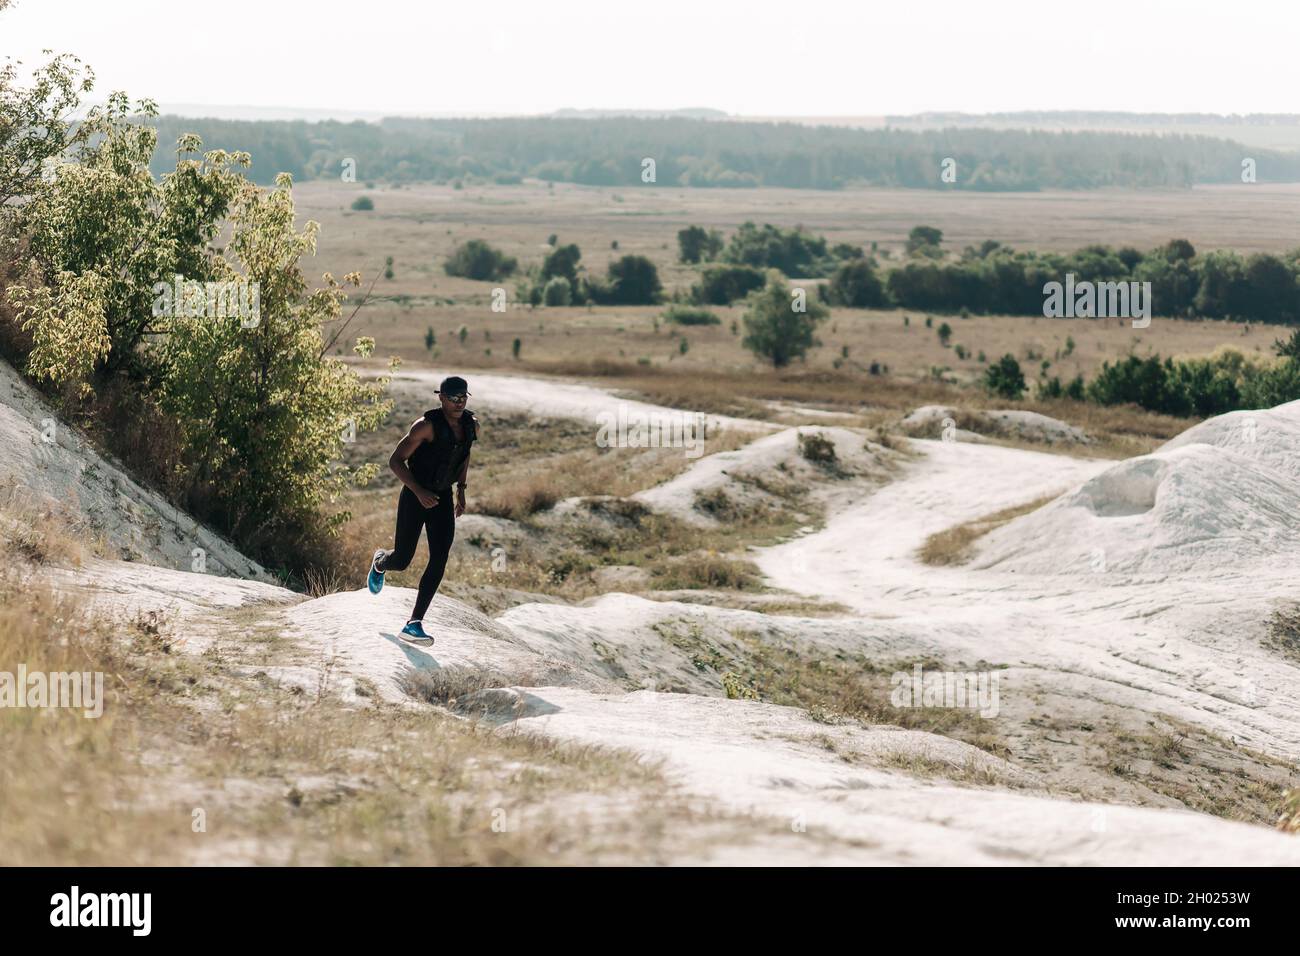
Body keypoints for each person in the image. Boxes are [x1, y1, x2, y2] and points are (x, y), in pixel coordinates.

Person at [367, 375, 477, 645]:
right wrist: (419, 491)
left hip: (442, 498)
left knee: (439, 558)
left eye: (463, 396)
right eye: (453, 397)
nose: (459, 401)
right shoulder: (425, 426)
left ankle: (414, 623)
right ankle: (380, 563)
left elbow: (464, 456)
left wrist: (461, 490)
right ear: (440, 397)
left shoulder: (471, 425)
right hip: (415, 496)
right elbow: (395, 461)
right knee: (403, 560)